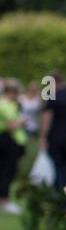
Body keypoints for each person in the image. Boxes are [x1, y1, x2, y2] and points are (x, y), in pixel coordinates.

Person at [36, 71, 66, 193]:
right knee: (63, 166)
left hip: (54, 137)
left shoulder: (53, 97)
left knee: (56, 168)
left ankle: (60, 195)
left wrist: (42, 137)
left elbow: (47, 119)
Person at [0, 80, 27, 213]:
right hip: (8, 141)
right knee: (7, 171)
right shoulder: (5, 105)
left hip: (8, 141)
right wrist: (22, 121)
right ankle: (4, 200)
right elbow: (12, 126)